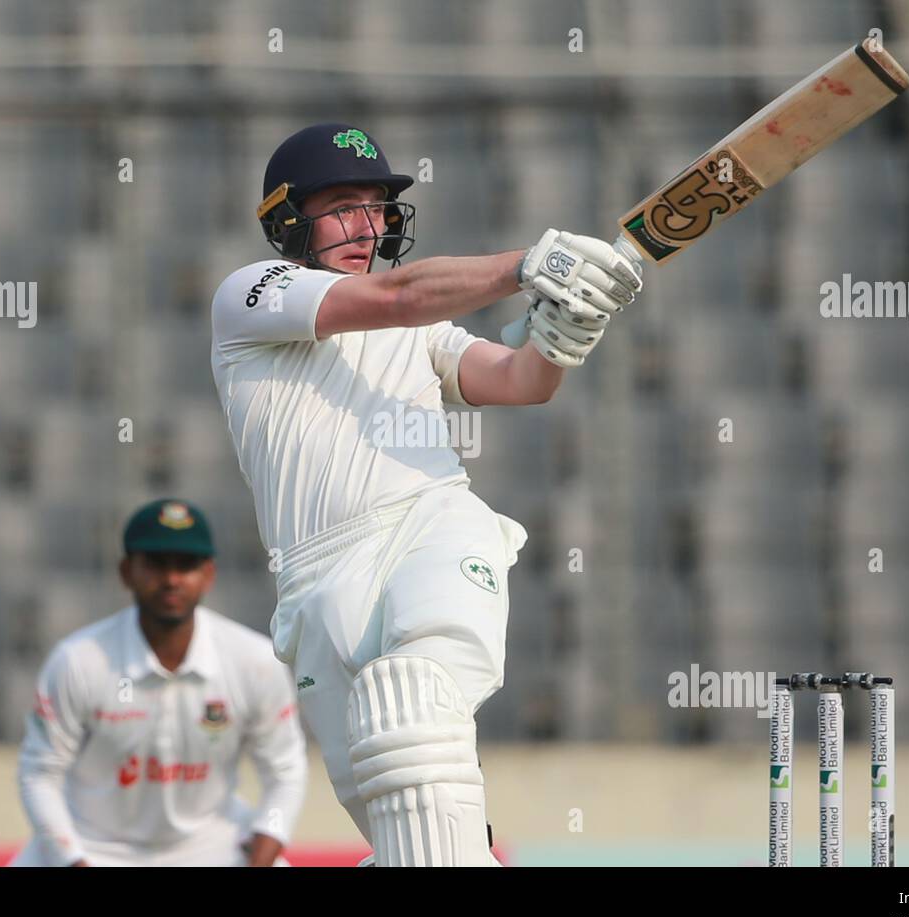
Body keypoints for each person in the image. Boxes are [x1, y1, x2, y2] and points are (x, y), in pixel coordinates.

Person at [210, 123, 641, 866]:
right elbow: (397, 294)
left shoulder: (420, 328)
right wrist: (531, 265)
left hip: (429, 527)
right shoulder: (251, 294)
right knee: (411, 833)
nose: (366, 226)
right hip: (314, 589)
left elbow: (519, 381)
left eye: (376, 207)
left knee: (416, 703)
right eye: (342, 207)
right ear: (287, 217)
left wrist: (560, 336)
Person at [11, 499, 307, 866]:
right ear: (126, 572)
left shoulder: (254, 661)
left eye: (186, 565)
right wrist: (72, 859)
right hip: (93, 846)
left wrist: (265, 846)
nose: (171, 580)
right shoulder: (78, 661)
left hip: (211, 847)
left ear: (209, 574)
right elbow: (40, 774)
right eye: (156, 564)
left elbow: (286, 771)